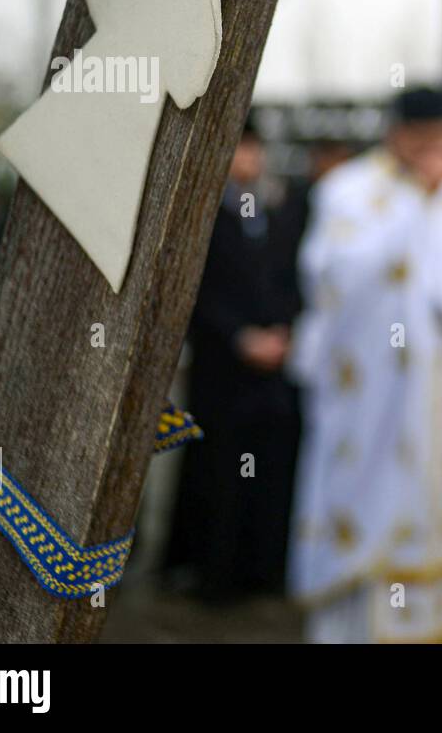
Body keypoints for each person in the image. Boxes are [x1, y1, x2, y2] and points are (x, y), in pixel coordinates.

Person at [286, 86, 442, 643]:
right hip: (371, 399)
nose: (432, 152)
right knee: (373, 514)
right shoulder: (349, 192)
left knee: (437, 513)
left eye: (440, 141)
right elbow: (333, 278)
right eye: (421, 140)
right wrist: (414, 205)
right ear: (396, 134)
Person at [162, 121, 301, 600]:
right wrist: (239, 337)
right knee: (217, 469)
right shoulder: (202, 214)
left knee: (268, 467)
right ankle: (212, 573)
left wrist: (284, 331)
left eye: (253, 149)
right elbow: (195, 291)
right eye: (239, 149)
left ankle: (260, 569)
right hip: (222, 368)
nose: (248, 160)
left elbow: (291, 279)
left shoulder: (280, 209)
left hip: (273, 367)